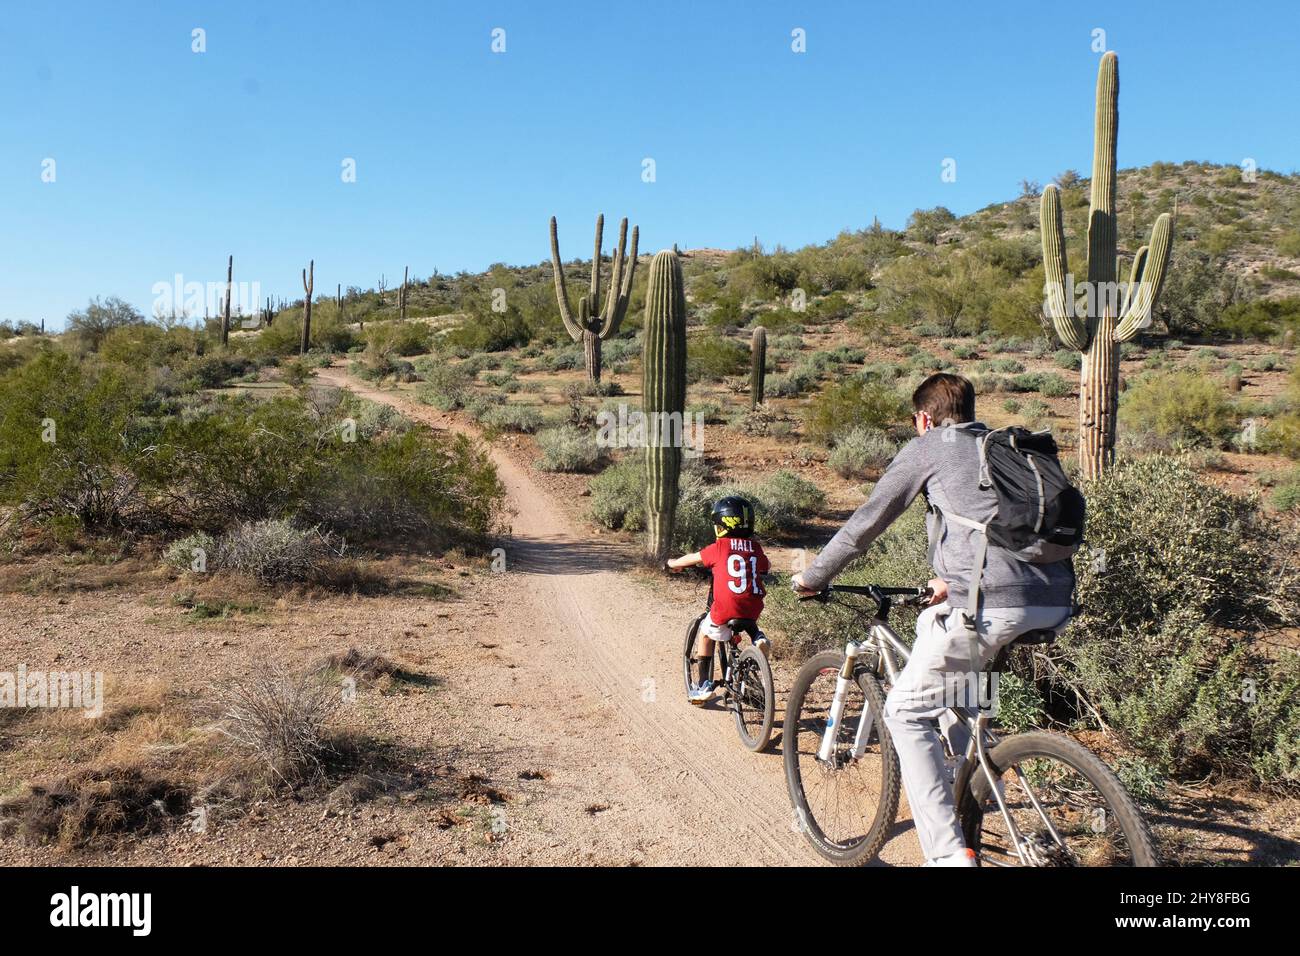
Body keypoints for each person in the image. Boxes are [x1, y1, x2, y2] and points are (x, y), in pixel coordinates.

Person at [791, 373, 1075, 867]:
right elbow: (994, 528)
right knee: (944, 651)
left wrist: (813, 576)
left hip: (991, 604)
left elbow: (866, 523)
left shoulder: (929, 447)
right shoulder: (1003, 447)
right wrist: (951, 579)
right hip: (1055, 598)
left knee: (903, 712)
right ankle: (980, 778)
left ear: (923, 418)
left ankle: (947, 857)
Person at [667, 496, 771, 703]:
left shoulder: (719, 547)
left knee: (706, 634)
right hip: (754, 605)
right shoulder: (755, 547)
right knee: (748, 616)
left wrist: (673, 563)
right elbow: (766, 567)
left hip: (725, 606)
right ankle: (758, 638)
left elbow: (693, 558)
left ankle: (703, 685)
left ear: (721, 524)